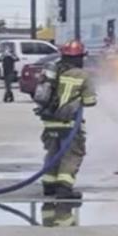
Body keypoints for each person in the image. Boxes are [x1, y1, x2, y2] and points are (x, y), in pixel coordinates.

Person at [32, 40, 97, 200]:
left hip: (49, 121)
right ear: (79, 57)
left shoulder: (54, 71)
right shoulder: (83, 75)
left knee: (53, 153)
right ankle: (64, 188)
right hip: (69, 123)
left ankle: (49, 185)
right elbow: (90, 102)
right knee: (72, 155)